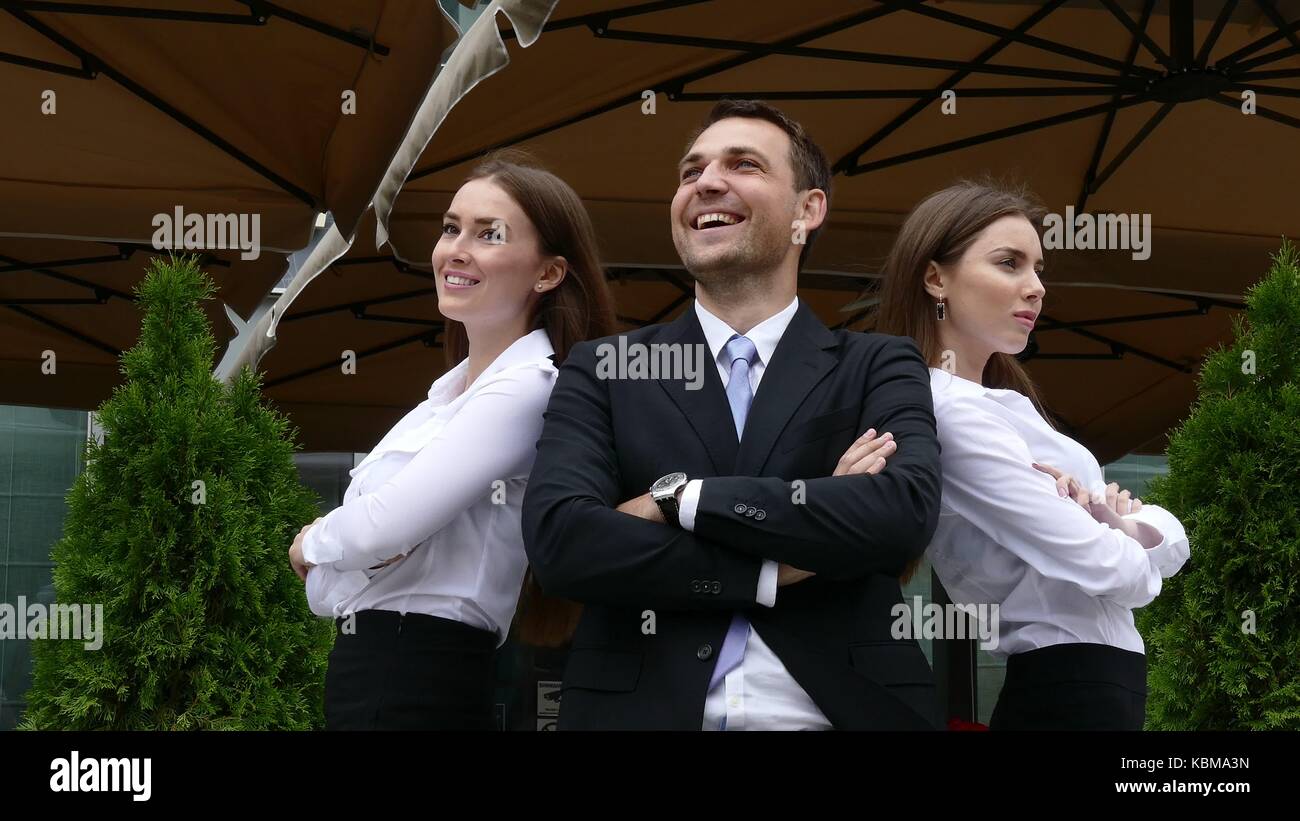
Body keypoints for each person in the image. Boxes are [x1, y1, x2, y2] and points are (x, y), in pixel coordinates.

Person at [522, 100, 943, 731]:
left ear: (809, 210)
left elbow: (900, 513)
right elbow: (563, 543)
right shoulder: (602, 367)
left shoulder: (878, 363)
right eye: (690, 172)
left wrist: (679, 501)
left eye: (743, 164)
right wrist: (783, 557)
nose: (706, 183)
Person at [287, 152, 615, 729]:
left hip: (421, 673)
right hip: (374, 668)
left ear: (548, 273)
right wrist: (352, 549)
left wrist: (313, 543)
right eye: (450, 227)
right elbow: (337, 586)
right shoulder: (444, 398)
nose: (456, 249)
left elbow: (380, 528)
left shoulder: (530, 388)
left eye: (490, 234)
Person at [875, 180, 1191, 730]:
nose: (1037, 287)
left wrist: (1121, 526)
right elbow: (1121, 575)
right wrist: (1121, 528)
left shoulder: (1006, 404)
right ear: (935, 277)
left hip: (1092, 684)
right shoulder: (949, 411)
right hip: (1066, 687)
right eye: (1009, 263)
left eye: (1038, 268)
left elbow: (1172, 544)